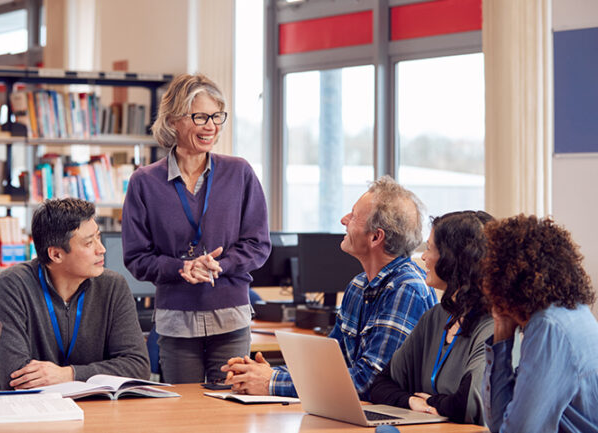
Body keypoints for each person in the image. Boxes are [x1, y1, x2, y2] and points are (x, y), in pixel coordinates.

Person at [223, 176, 437, 399]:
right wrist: (263, 374)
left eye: (353, 216)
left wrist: (271, 382)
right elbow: (331, 367)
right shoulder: (358, 286)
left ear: (375, 237)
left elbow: (368, 383)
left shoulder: (406, 290)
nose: (343, 219)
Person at [121, 73, 271, 384]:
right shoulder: (144, 182)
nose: (211, 126)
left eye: (217, 116)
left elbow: (258, 244)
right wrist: (182, 268)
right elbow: (137, 257)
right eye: (200, 116)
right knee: (184, 414)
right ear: (174, 119)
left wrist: (220, 264)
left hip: (230, 315)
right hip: (176, 320)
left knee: (229, 410)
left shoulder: (239, 172)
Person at [0, 198, 149, 390]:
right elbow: (14, 375)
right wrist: (96, 374)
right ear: (56, 254)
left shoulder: (113, 286)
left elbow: (138, 367)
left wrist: (69, 374)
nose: (102, 249)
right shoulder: (13, 285)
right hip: (36, 410)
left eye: (98, 237)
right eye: (89, 243)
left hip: (98, 409)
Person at [369, 211, 494, 425]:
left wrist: (435, 401)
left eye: (429, 248)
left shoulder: (494, 324)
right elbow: (380, 385)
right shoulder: (436, 318)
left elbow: (470, 405)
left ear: (454, 259)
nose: (424, 257)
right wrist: (411, 401)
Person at [481, 215, 598, 432]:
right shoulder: (569, 312)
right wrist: (502, 331)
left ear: (506, 278)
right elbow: (499, 423)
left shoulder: (549, 328)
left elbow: (519, 429)